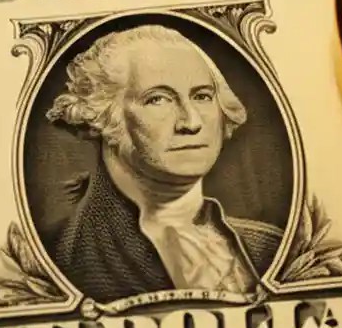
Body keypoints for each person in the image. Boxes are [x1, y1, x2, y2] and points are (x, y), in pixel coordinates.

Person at [43, 24, 282, 303]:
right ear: (101, 116)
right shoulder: (58, 258)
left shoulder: (268, 245)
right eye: (158, 99)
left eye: (202, 96)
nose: (191, 123)